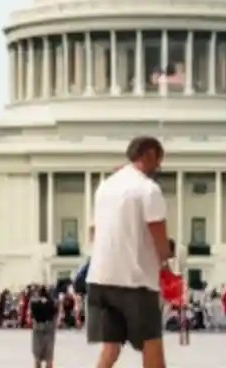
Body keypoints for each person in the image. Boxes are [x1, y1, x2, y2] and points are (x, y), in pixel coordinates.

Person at [85, 136, 171, 368]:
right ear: (149, 155)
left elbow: (93, 232)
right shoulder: (148, 189)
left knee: (111, 348)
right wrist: (167, 259)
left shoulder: (105, 186)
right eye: (158, 161)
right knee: (152, 346)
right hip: (135, 281)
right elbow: (159, 238)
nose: (158, 168)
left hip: (100, 278)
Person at [29, 285, 57, 368]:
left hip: (37, 328)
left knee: (37, 356)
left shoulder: (34, 303)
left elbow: (32, 315)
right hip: (49, 328)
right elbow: (54, 313)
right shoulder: (52, 303)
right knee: (49, 357)